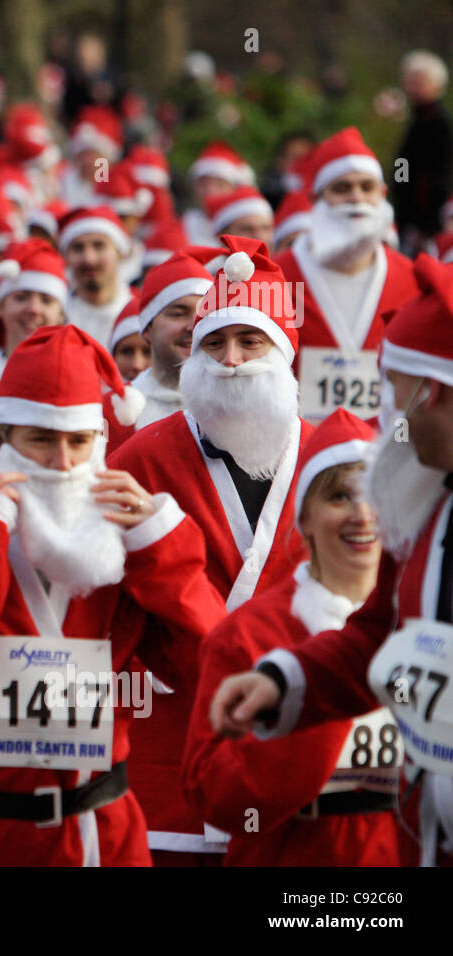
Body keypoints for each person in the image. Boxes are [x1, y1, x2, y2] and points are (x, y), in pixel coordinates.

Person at [0, 325, 227, 865]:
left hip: (100, 836)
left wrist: (163, 548)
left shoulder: (122, 553)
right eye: (40, 438)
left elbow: (216, 670)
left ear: (100, 448)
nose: (61, 462)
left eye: (78, 441)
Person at [208, 254, 453, 867]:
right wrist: (283, 681)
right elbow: (377, 636)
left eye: (395, 394)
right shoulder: (427, 508)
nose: (388, 418)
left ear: (440, 394)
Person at [110, 235, 315, 864]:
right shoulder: (142, 456)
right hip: (171, 739)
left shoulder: (328, 461)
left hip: (297, 731)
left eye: (250, 341)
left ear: (282, 352)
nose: (230, 360)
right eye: (214, 343)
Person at [182, 409, 401, 865]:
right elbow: (217, 797)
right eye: (339, 496)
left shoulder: (420, 613)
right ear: (304, 519)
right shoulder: (247, 632)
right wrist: (324, 700)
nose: (362, 514)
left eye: (374, 495)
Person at [274, 128, 418, 422]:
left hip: (383, 450)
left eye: (367, 187)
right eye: (341, 188)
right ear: (316, 199)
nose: (356, 198)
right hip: (298, 454)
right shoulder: (276, 276)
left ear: (382, 195)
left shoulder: (413, 279)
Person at [103, 251, 215, 455]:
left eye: (204, 313)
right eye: (178, 314)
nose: (193, 326)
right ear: (147, 328)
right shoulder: (109, 412)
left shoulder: (236, 407)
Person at [391, 51, 452, 253]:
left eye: (419, 81)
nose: (412, 86)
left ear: (438, 86)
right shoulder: (415, 123)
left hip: (427, 224)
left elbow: (437, 178)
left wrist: (425, 223)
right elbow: (403, 164)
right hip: (408, 217)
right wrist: (399, 187)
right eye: (409, 80)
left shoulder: (439, 127)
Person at [0, 238, 67, 377]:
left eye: (46, 300)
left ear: (61, 314)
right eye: (21, 297)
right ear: (0, 307)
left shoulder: (71, 374)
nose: (33, 309)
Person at [58, 206, 133, 346]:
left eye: (99, 246)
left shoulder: (141, 315)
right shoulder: (56, 317)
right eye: (78, 248)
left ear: (120, 252)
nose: (89, 259)